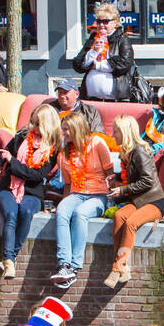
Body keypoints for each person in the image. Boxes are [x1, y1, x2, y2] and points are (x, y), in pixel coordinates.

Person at [0, 103, 62, 280]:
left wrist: (13, 161)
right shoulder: (21, 138)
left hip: (32, 192)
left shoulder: (53, 149)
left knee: (26, 211)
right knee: (11, 214)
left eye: (37, 124)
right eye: (32, 122)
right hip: (9, 187)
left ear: (47, 125)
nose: (32, 127)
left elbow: (36, 176)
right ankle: (9, 261)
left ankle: (10, 256)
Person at [50, 110, 116, 288]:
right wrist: (63, 203)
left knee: (80, 214)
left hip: (100, 194)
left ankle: (74, 266)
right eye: (62, 129)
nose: (63, 133)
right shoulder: (63, 155)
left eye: (66, 130)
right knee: (63, 212)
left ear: (77, 128)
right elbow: (67, 184)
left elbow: (110, 173)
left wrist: (113, 195)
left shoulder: (97, 144)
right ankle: (64, 263)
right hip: (76, 193)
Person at [105, 114, 164, 287]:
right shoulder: (128, 152)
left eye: (115, 131)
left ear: (124, 132)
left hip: (154, 202)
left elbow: (147, 181)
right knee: (118, 217)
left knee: (131, 223)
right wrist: (115, 177)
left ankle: (118, 268)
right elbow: (133, 176)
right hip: (139, 200)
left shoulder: (139, 151)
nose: (113, 135)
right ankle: (123, 267)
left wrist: (122, 190)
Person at [72, 2, 134, 101]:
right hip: (92, 98)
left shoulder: (122, 40)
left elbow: (124, 64)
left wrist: (97, 65)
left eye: (105, 21)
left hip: (115, 99)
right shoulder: (93, 38)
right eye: (99, 21)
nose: (101, 25)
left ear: (115, 23)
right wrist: (93, 51)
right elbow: (79, 65)